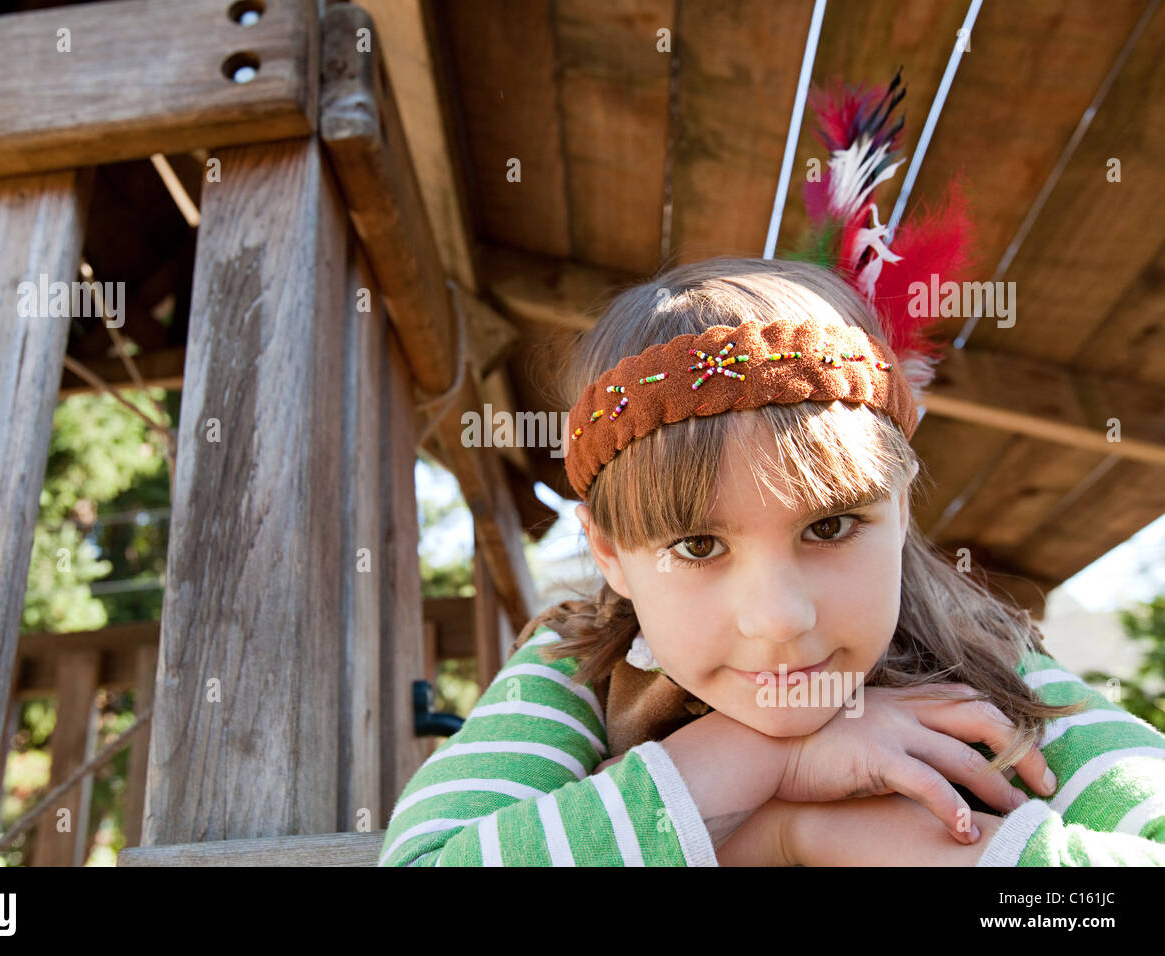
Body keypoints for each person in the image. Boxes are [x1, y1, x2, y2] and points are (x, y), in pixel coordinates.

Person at [378, 258, 1165, 866]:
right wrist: (766, 783)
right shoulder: (576, 670)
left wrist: (877, 842)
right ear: (610, 554)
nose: (781, 618)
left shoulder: (995, 671)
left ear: (901, 506)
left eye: (829, 527)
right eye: (697, 546)